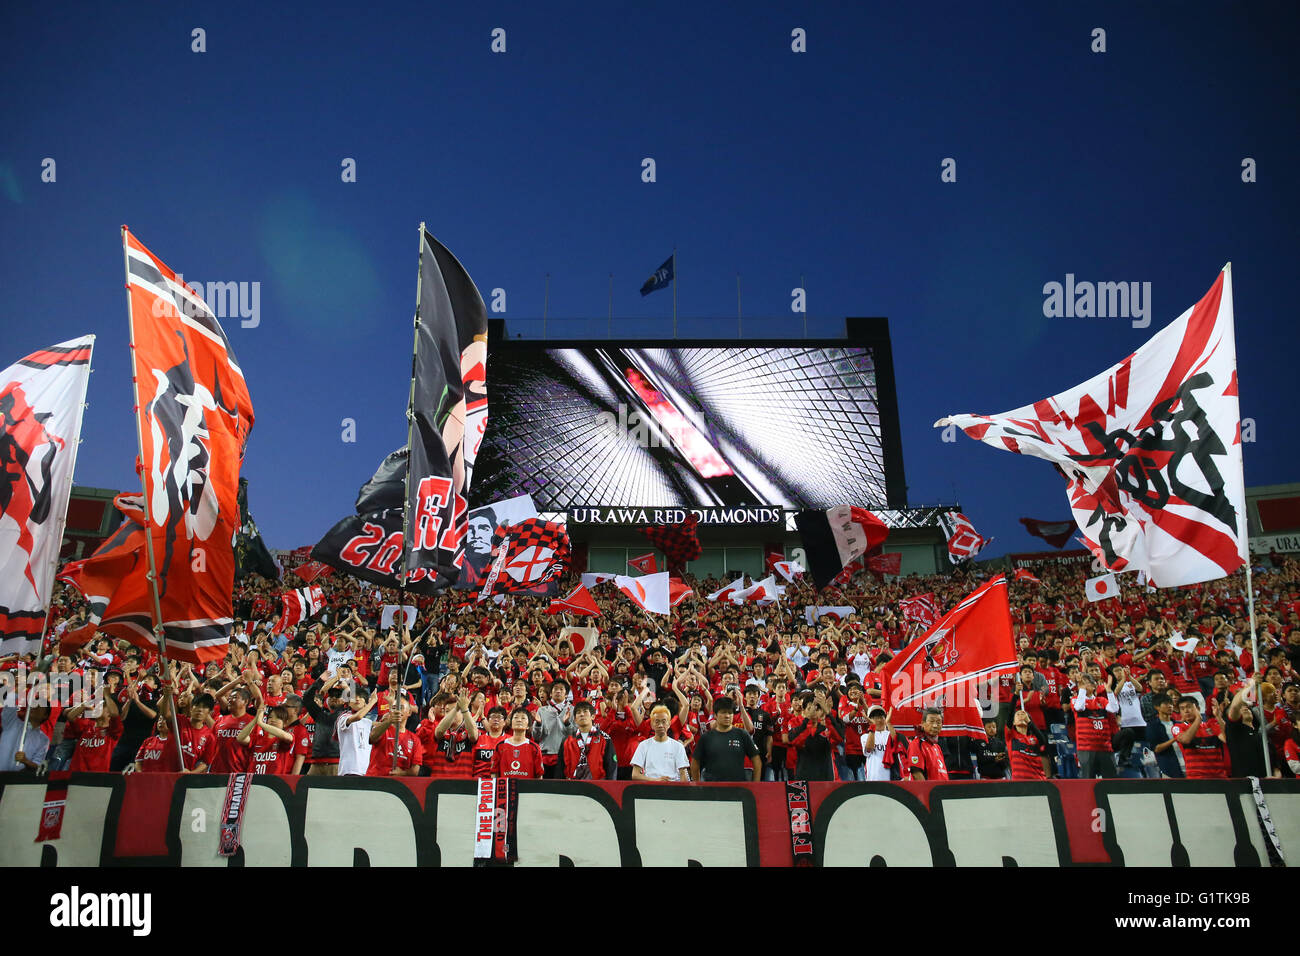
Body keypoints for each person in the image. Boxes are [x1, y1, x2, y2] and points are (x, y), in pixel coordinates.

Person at [690, 697, 761, 782]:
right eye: (723, 713)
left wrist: (756, 784)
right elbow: (695, 761)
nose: (727, 716)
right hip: (712, 789)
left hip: (737, 789)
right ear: (715, 715)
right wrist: (697, 785)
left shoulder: (742, 734)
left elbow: (756, 760)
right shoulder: (706, 737)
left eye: (730, 713)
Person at [1072, 675, 1119, 778]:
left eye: (1085, 683)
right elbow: (1079, 708)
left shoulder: (1101, 700)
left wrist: (1109, 691)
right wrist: (1082, 690)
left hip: (1105, 746)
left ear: (1094, 686)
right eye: (1081, 683)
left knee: (1110, 779)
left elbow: (1114, 709)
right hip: (1086, 747)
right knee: (1088, 779)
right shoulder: (1076, 699)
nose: (1082, 685)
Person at [631, 704, 690, 782]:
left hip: (672, 790)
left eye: (663, 721)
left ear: (669, 724)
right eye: (657, 722)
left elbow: (683, 775)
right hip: (650, 790)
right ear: (652, 724)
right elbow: (635, 775)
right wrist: (655, 780)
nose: (660, 725)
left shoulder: (678, 747)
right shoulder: (643, 745)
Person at [1173, 695, 1227, 779]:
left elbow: (1225, 738)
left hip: (1219, 777)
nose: (1186, 711)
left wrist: (1218, 717)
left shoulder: (1211, 724)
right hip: (1196, 778)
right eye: (1182, 709)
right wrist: (1198, 718)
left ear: (1198, 708)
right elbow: (1186, 740)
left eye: (1189, 707)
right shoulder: (1178, 727)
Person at [559, 701, 617, 780]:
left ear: (592, 716)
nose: (582, 714)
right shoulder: (567, 740)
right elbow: (560, 767)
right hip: (572, 785)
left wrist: (610, 787)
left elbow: (611, 766)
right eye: (578, 712)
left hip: (598, 785)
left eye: (585, 711)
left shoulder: (605, 738)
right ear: (575, 719)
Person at [366, 699, 422, 777]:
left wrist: (403, 773)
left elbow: (415, 771)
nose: (397, 711)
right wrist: (389, 721)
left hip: (398, 784)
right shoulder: (383, 729)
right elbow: (372, 738)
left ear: (409, 712)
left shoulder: (415, 739)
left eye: (401, 707)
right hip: (376, 780)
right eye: (394, 708)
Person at [532, 679, 574, 778]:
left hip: (566, 756)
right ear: (550, 694)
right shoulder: (542, 710)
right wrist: (538, 724)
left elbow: (573, 736)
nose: (558, 691)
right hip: (545, 755)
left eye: (561, 689)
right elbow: (536, 737)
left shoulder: (572, 710)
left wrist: (567, 723)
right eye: (555, 689)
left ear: (566, 694)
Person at [493, 707, 546, 779]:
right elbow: (494, 772)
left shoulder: (534, 748)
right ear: (511, 724)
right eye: (516, 717)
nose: (519, 720)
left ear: (528, 726)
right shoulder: (500, 746)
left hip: (527, 788)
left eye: (523, 718)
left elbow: (539, 775)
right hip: (506, 788)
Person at [336, 688, 378, 777]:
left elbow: (385, 725)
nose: (357, 699)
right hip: (349, 770)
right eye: (354, 697)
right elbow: (358, 716)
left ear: (365, 703)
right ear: (349, 703)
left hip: (366, 771)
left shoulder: (368, 722)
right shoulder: (343, 717)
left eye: (361, 697)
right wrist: (373, 701)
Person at [1144, 692, 1185, 778]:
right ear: (1157, 707)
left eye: (1171, 704)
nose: (1170, 706)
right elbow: (1156, 748)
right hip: (1169, 769)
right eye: (1166, 704)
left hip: (1186, 766)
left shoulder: (1178, 724)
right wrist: (1175, 739)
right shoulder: (1153, 725)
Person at [907, 708, 949, 781]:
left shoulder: (937, 746)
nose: (935, 725)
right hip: (929, 791)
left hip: (942, 791)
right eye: (931, 721)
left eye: (939, 722)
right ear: (923, 723)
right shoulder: (916, 744)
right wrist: (927, 791)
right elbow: (916, 773)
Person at [1005, 709, 1049, 781]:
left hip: (1038, 780)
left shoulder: (1035, 738)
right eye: (1018, 715)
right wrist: (1015, 698)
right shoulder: (1011, 737)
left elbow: (1043, 740)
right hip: (1019, 782)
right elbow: (1010, 715)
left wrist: (1029, 721)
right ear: (1013, 722)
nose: (1021, 716)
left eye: (1024, 715)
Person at [860, 705, 901, 781]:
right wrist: (872, 727)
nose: (879, 720)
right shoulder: (865, 736)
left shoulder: (890, 734)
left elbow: (896, 743)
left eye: (881, 716)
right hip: (873, 779)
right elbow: (869, 749)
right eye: (875, 717)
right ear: (869, 719)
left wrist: (888, 723)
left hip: (892, 778)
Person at [471, 706, 510, 778]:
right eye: (493, 717)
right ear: (488, 720)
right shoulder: (479, 739)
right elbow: (472, 763)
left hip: (501, 781)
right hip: (479, 779)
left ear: (504, 722)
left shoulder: (510, 740)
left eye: (499, 717)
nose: (496, 719)